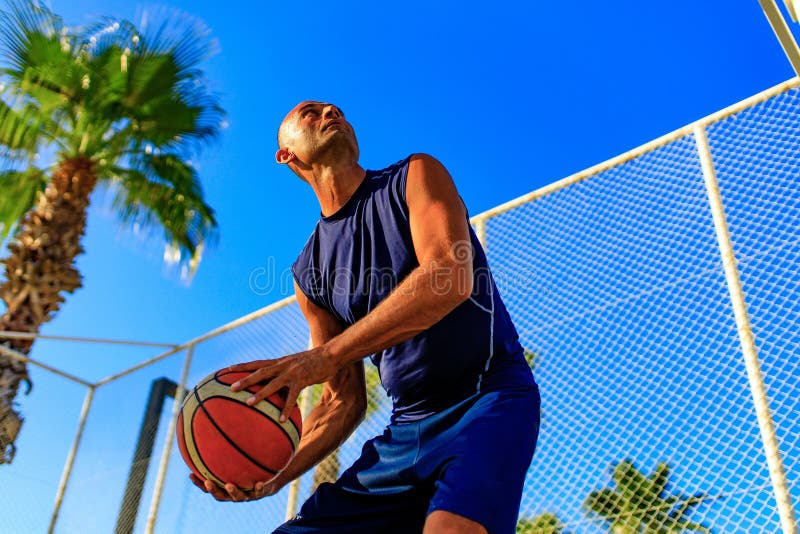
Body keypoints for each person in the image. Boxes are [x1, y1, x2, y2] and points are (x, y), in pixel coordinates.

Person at [190, 101, 540, 534]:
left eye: (333, 109)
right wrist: (274, 476)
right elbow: (343, 400)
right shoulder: (309, 275)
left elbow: (448, 277)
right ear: (287, 155)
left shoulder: (414, 176)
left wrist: (325, 357)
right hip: (405, 431)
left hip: (487, 399)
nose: (330, 110)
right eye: (310, 113)